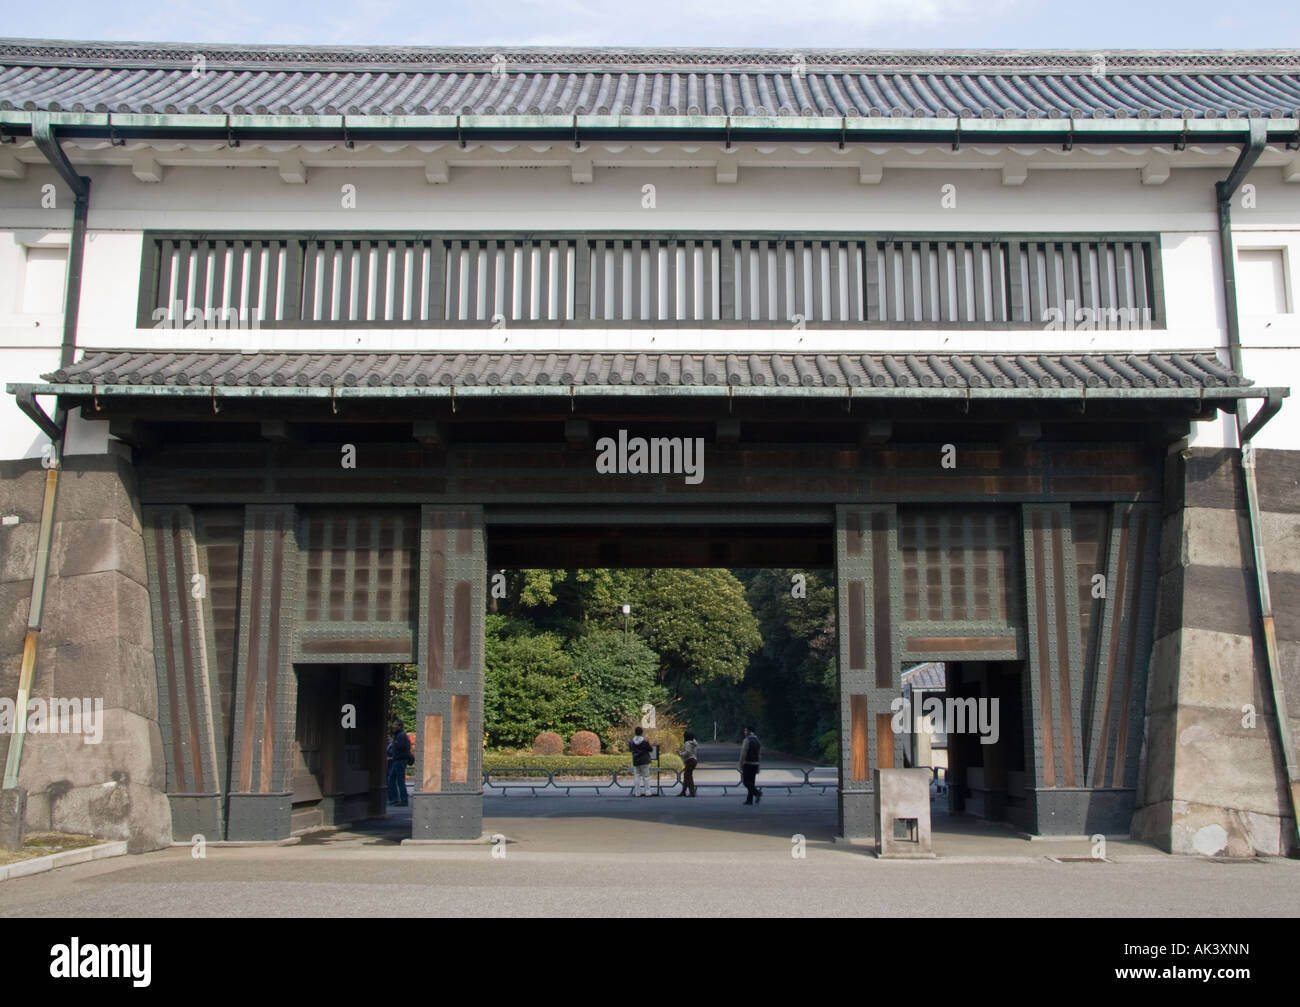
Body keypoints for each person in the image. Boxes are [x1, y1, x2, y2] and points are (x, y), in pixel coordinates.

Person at [388, 719, 412, 807]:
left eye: (395, 725)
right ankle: (396, 799)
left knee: (399, 780)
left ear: (399, 726)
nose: (393, 726)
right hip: (398, 760)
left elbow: (401, 747)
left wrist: (393, 745)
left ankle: (403, 800)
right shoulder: (399, 735)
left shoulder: (400, 736)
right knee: (392, 779)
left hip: (400, 760)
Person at [739, 725, 762, 805]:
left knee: (745, 781)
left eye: (745, 730)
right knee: (752, 782)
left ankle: (757, 793)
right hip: (755, 764)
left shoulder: (747, 740)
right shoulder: (757, 740)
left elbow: (743, 753)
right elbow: (759, 754)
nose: (744, 732)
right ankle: (749, 800)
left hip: (747, 763)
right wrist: (759, 765)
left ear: (749, 731)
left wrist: (740, 764)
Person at [629, 726, 654, 797]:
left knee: (636, 776)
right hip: (644, 761)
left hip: (636, 760)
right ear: (642, 732)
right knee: (646, 776)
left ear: (635, 732)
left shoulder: (631, 742)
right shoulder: (645, 742)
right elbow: (650, 749)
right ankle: (647, 792)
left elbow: (631, 749)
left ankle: (637, 792)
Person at [678, 731, 699, 797]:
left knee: (688, 777)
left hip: (689, 760)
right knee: (686, 776)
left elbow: (687, 752)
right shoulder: (694, 743)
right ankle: (683, 791)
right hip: (694, 760)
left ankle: (691, 792)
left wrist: (680, 754)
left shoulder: (687, 743)